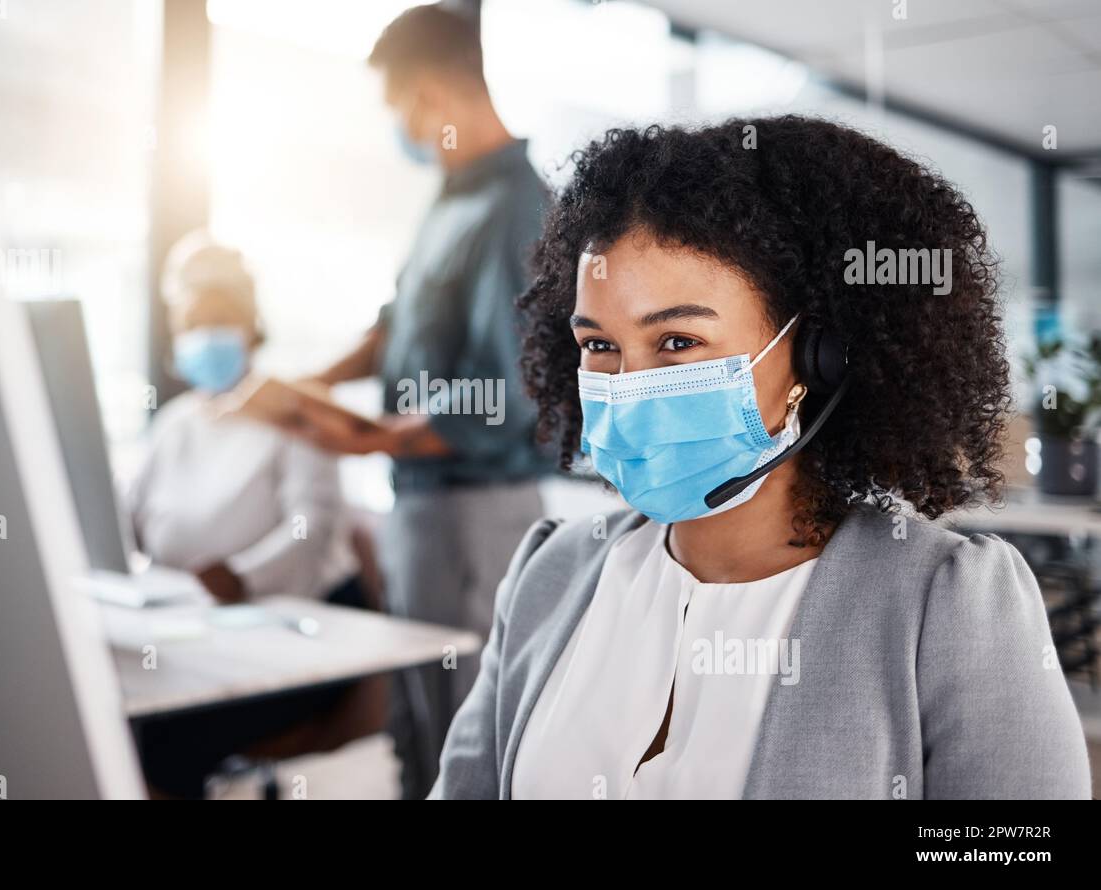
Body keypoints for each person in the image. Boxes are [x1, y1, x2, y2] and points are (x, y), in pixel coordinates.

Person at [430, 116, 1093, 799]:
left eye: (678, 342)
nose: (627, 388)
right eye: (599, 345)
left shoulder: (948, 603)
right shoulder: (549, 574)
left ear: (815, 358)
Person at [278, 5, 553, 799]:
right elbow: (397, 325)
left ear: (433, 94)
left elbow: (509, 394)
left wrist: (375, 439)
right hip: (424, 507)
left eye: (399, 107)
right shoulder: (450, 198)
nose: (401, 128)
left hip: (474, 513)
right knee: (416, 733)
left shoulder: (518, 208)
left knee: (465, 744)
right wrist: (310, 387)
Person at [127, 232, 365, 798]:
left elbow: (312, 530)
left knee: (162, 743)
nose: (206, 334)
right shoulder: (174, 425)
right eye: (194, 322)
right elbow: (126, 517)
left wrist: (241, 577)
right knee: (119, 715)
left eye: (221, 318)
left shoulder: (292, 413)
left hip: (295, 639)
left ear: (251, 326)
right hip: (196, 633)